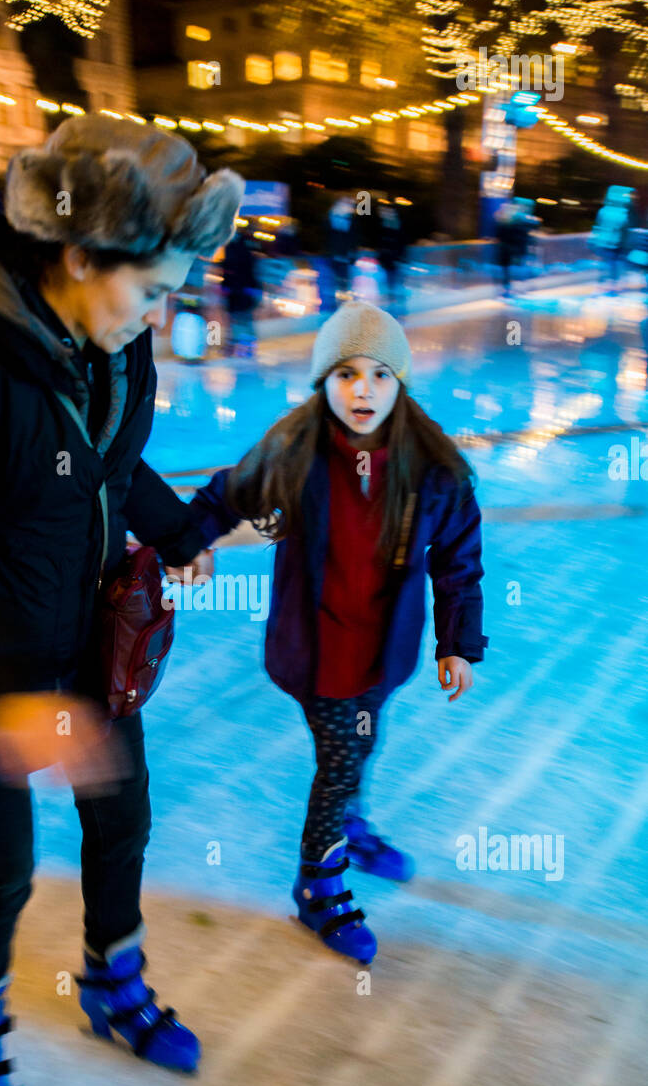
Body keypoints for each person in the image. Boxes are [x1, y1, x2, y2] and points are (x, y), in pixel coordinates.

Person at [0, 115, 244, 1086]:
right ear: (80, 255)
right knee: (2, 866)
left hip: (80, 636)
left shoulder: (107, 348)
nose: (161, 316)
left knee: (121, 812)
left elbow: (110, 469)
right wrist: (2, 692)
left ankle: (111, 981)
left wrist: (180, 534)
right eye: (154, 290)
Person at [184, 301, 488, 963]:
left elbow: (458, 561)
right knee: (340, 759)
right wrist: (190, 544)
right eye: (346, 373)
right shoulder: (295, 453)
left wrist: (459, 642)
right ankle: (319, 887)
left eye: (380, 374)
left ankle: (348, 824)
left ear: (400, 383)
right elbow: (222, 497)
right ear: (323, 382)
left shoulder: (433, 471)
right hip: (315, 647)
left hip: (383, 650)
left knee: (365, 739)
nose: (363, 390)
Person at [221, 225, 261, 356]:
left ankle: (237, 345)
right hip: (243, 289)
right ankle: (246, 345)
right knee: (242, 317)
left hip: (238, 289)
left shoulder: (233, 248)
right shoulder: (249, 248)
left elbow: (229, 268)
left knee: (239, 317)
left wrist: (226, 285)